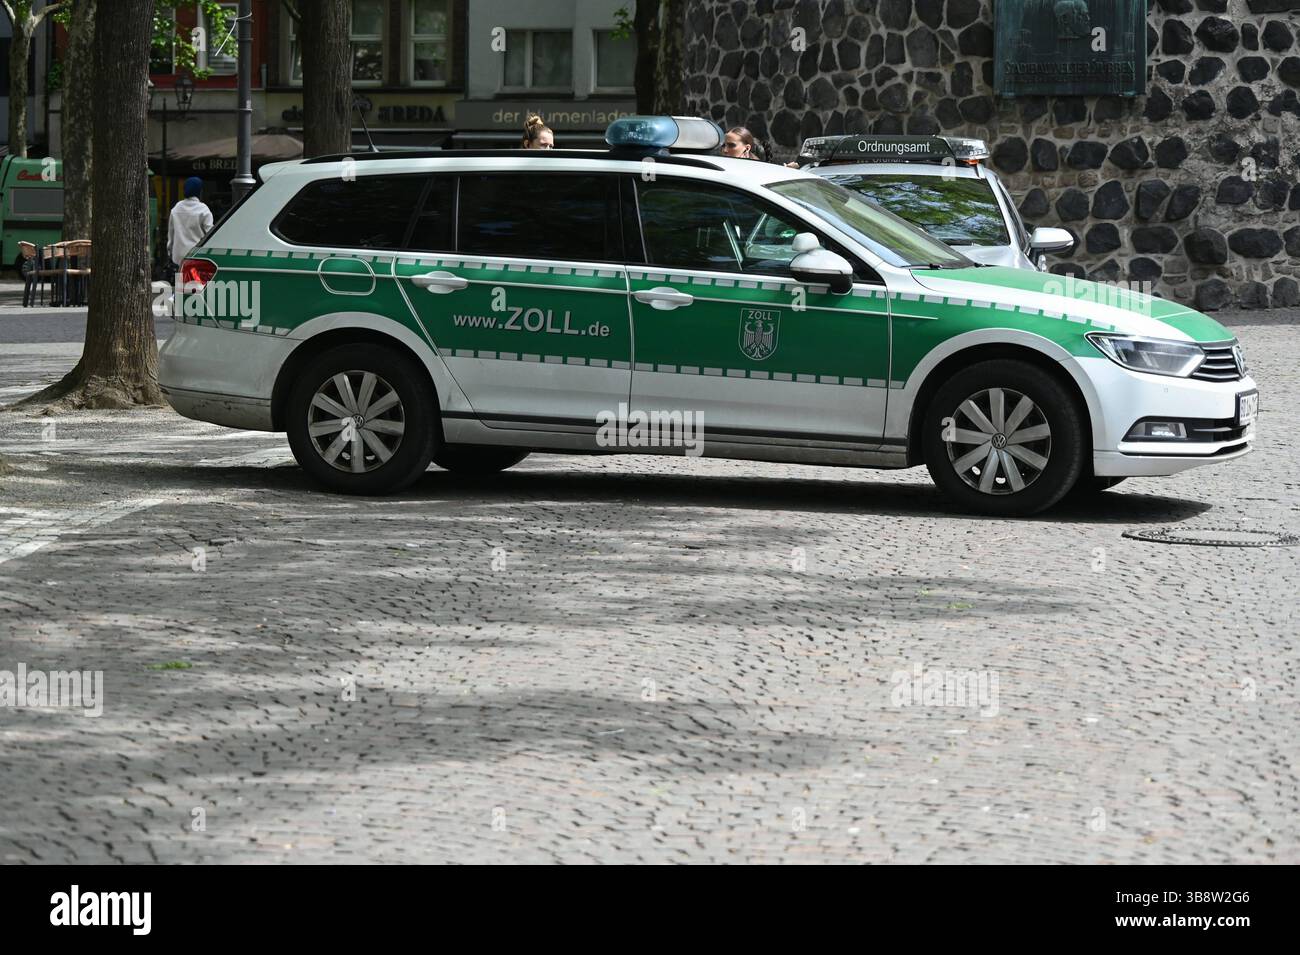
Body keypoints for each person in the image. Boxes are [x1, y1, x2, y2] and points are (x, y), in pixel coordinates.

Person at [168, 176, 214, 276]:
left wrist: (170, 254)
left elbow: (171, 237)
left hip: (178, 259)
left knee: (179, 288)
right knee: (196, 289)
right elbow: (211, 235)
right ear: (199, 191)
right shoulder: (204, 210)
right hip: (196, 258)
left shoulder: (176, 209)